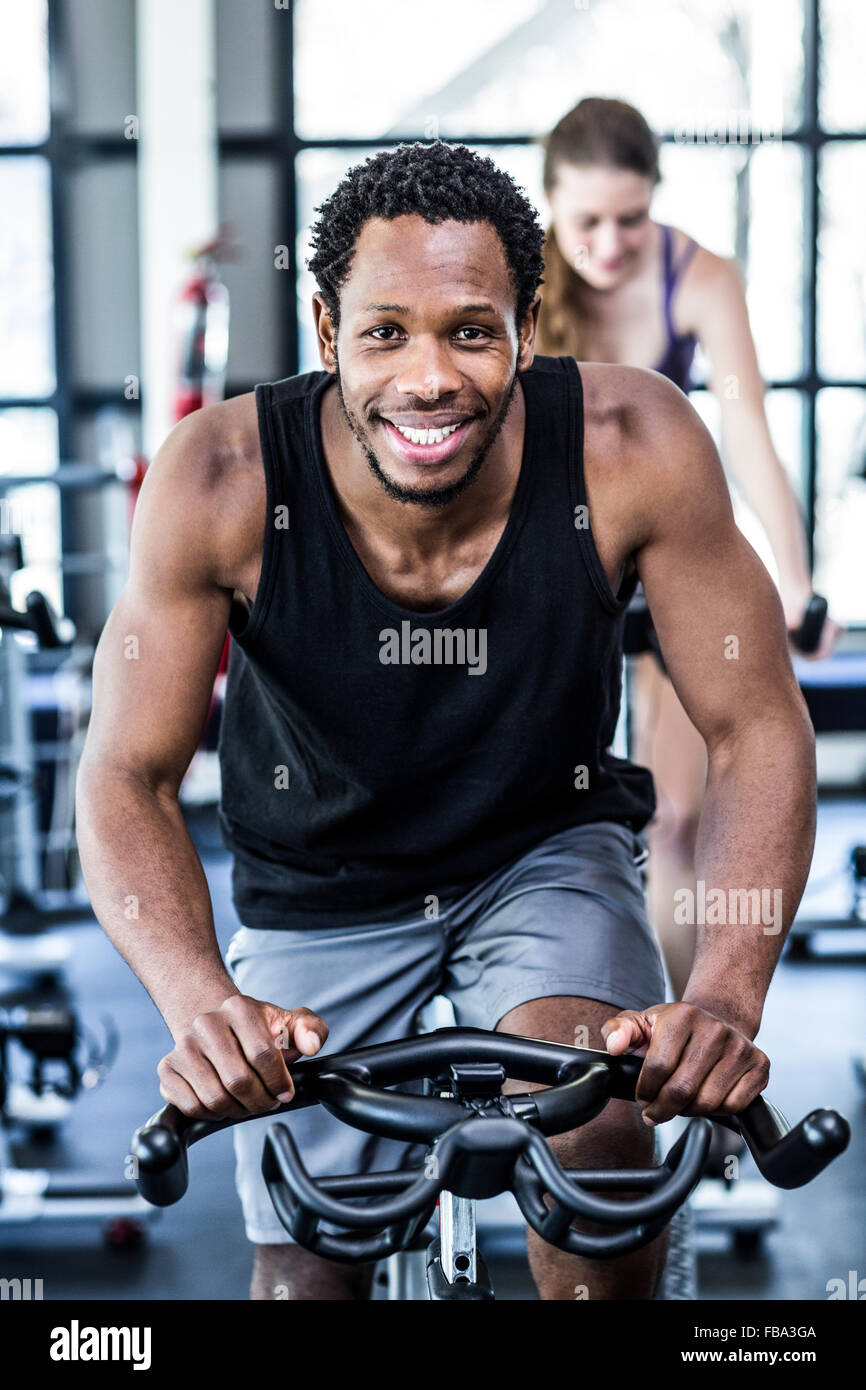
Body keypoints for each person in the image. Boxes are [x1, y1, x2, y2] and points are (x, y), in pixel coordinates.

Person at [75, 140, 816, 1302]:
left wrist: (722, 994)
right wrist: (199, 998)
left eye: (471, 330)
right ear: (326, 334)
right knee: (309, 1254)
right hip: (316, 872)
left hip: (541, 849)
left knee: (600, 1143)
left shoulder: (633, 445)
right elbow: (123, 772)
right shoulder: (219, 475)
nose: (428, 378)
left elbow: (757, 727)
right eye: (384, 333)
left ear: (527, 327)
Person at [535, 97, 841, 997]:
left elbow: (745, 426)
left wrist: (794, 577)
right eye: (586, 219)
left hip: (656, 546)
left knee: (673, 817)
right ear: (550, 201)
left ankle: (674, 1056)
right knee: (538, 817)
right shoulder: (521, 271)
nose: (610, 241)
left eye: (631, 218)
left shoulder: (700, 276)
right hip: (546, 562)